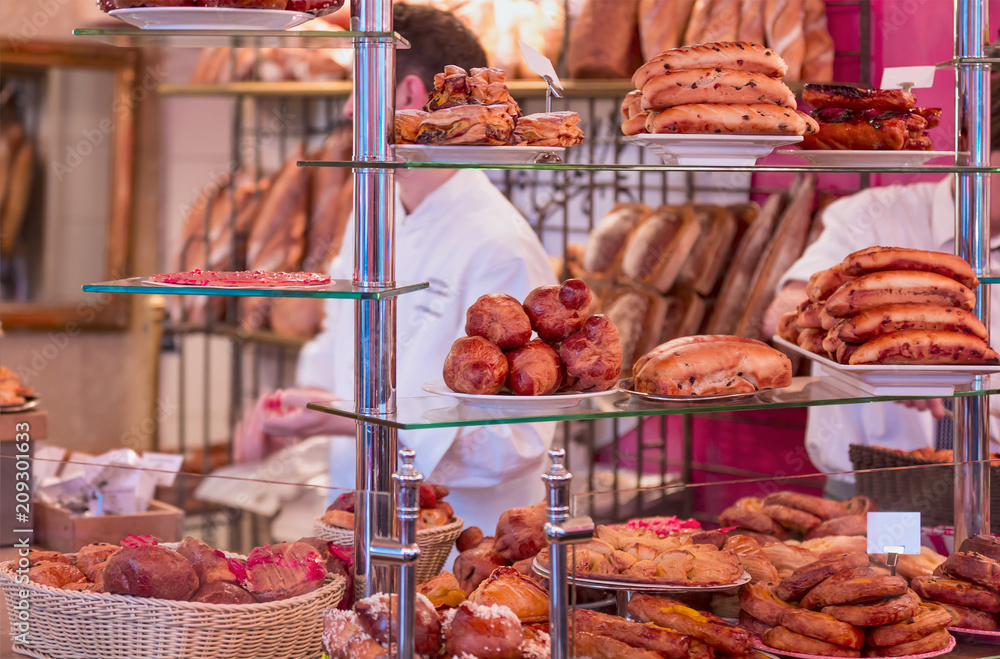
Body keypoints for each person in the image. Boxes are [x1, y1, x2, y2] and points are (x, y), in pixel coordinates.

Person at [234, 3, 557, 535]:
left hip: (463, 552)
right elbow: (337, 342)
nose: (344, 112)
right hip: (358, 525)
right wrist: (305, 407)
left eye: (357, 89)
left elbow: (515, 439)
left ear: (407, 96)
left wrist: (348, 421)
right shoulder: (373, 211)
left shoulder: (500, 245)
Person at [763, 78, 1000, 500]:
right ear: (970, 144)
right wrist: (884, 365)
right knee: (883, 567)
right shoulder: (873, 216)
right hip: (876, 488)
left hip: (992, 488)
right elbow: (784, 312)